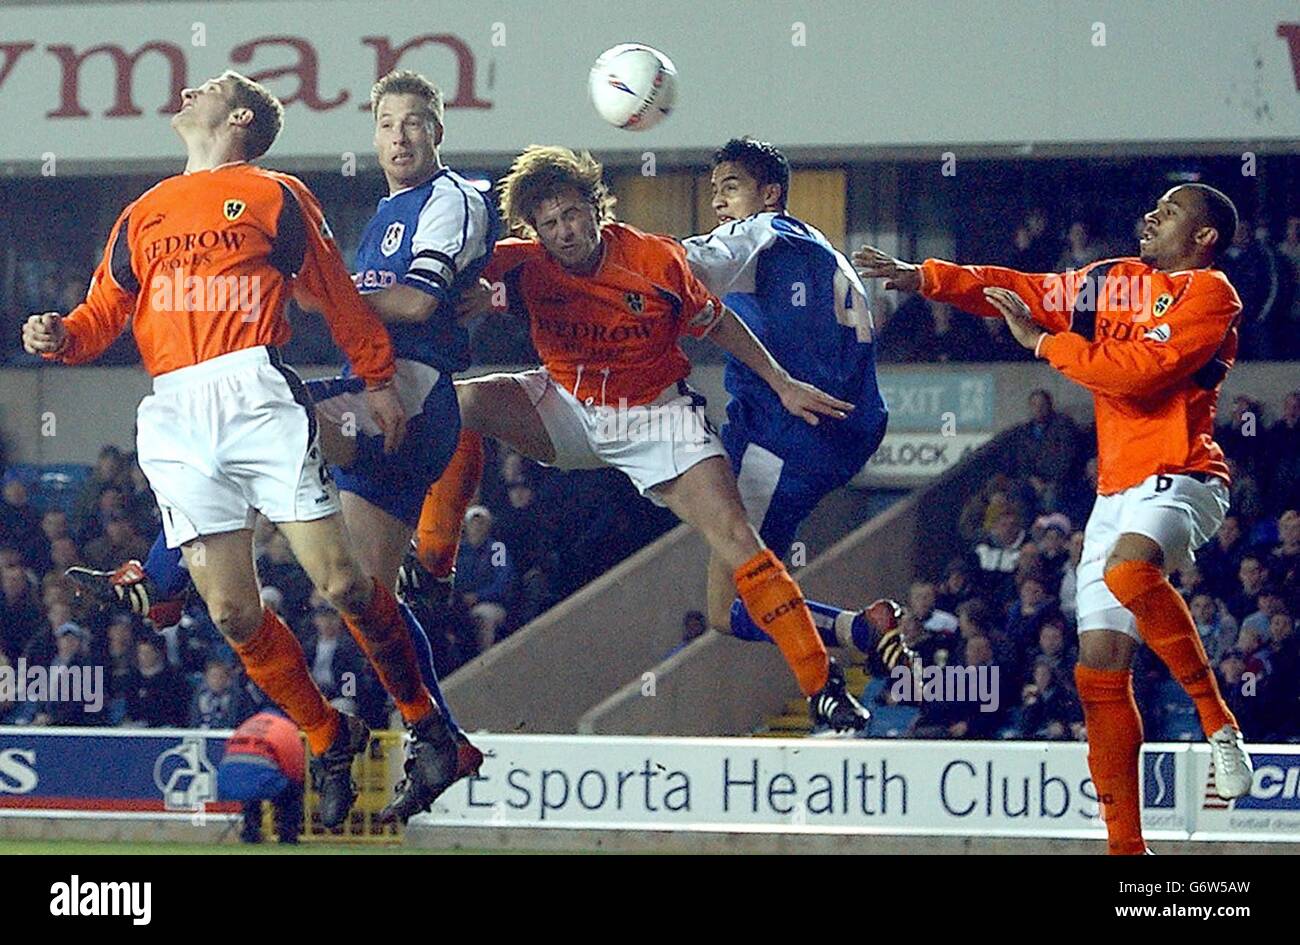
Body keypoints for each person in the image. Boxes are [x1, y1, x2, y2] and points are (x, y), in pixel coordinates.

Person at [19, 70, 455, 828]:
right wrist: (59, 335)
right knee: (228, 608)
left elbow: (338, 295)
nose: (191, 90)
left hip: (255, 390)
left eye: (211, 85)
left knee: (343, 583)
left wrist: (379, 379)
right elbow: (99, 316)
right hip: (174, 409)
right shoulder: (142, 212)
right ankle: (328, 733)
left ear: (241, 115)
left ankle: (427, 721)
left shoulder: (275, 193)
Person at [412, 144, 875, 733]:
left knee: (737, 537)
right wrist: (466, 296)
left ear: (595, 207)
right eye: (549, 223)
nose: (565, 231)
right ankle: (433, 562)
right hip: (568, 407)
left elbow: (720, 324)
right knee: (457, 400)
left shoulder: (653, 262)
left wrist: (782, 384)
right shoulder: (518, 262)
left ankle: (822, 684)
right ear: (535, 229)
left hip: (657, 419)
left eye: (573, 214)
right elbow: (446, 282)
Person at [857, 182, 1254, 855]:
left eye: (1171, 210)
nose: (1152, 215)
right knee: (1097, 672)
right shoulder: (1112, 281)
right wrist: (926, 276)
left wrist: (1045, 345)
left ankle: (1220, 725)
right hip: (1116, 492)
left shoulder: (1211, 295)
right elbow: (1015, 287)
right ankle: (1127, 854)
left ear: (1205, 236)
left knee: (1130, 570)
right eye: (1152, 205)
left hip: (1185, 477)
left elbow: (1138, 376)